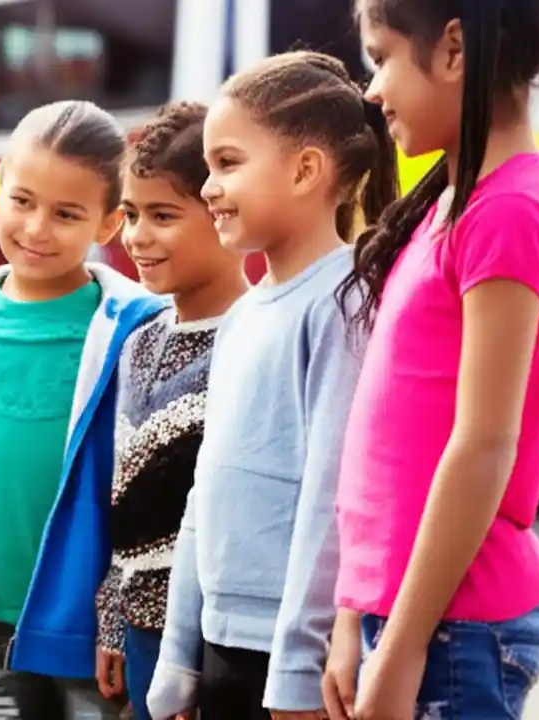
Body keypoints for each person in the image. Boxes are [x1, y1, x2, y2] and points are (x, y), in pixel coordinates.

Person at [325, 2, 539, 719]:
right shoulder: (457, 200)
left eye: (381, 58)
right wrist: (351, 616)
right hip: (414, 620)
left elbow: (484, 445)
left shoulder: (506, 212)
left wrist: (399, 648)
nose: (372, 90)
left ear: (454, 49)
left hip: (452, 631)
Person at [146, 50, 397, 720]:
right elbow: (206, 493)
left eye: (227, 163)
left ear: (305, 169)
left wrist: (295, 668)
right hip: (223, 649)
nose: (207, 187)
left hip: (290, 663)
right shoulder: (245, 315)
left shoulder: (342, 304)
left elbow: (330, 497)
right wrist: (179, 654)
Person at [0, 99, 167, 719]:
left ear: (107, 224)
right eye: (21, 201)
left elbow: (157, 495)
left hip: (97, 634)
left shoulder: (138, 326)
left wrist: (127, 616)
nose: (36, 228)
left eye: (66, 213)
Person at [93, 101, 248, 720]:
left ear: (222, 213)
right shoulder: (138, 343)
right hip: (139, 632)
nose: (136, 237)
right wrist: (112, 617)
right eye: (130, 214)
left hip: (215, 643)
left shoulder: (251, 337)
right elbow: (126, 499)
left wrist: (193, 663)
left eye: (163, 216)